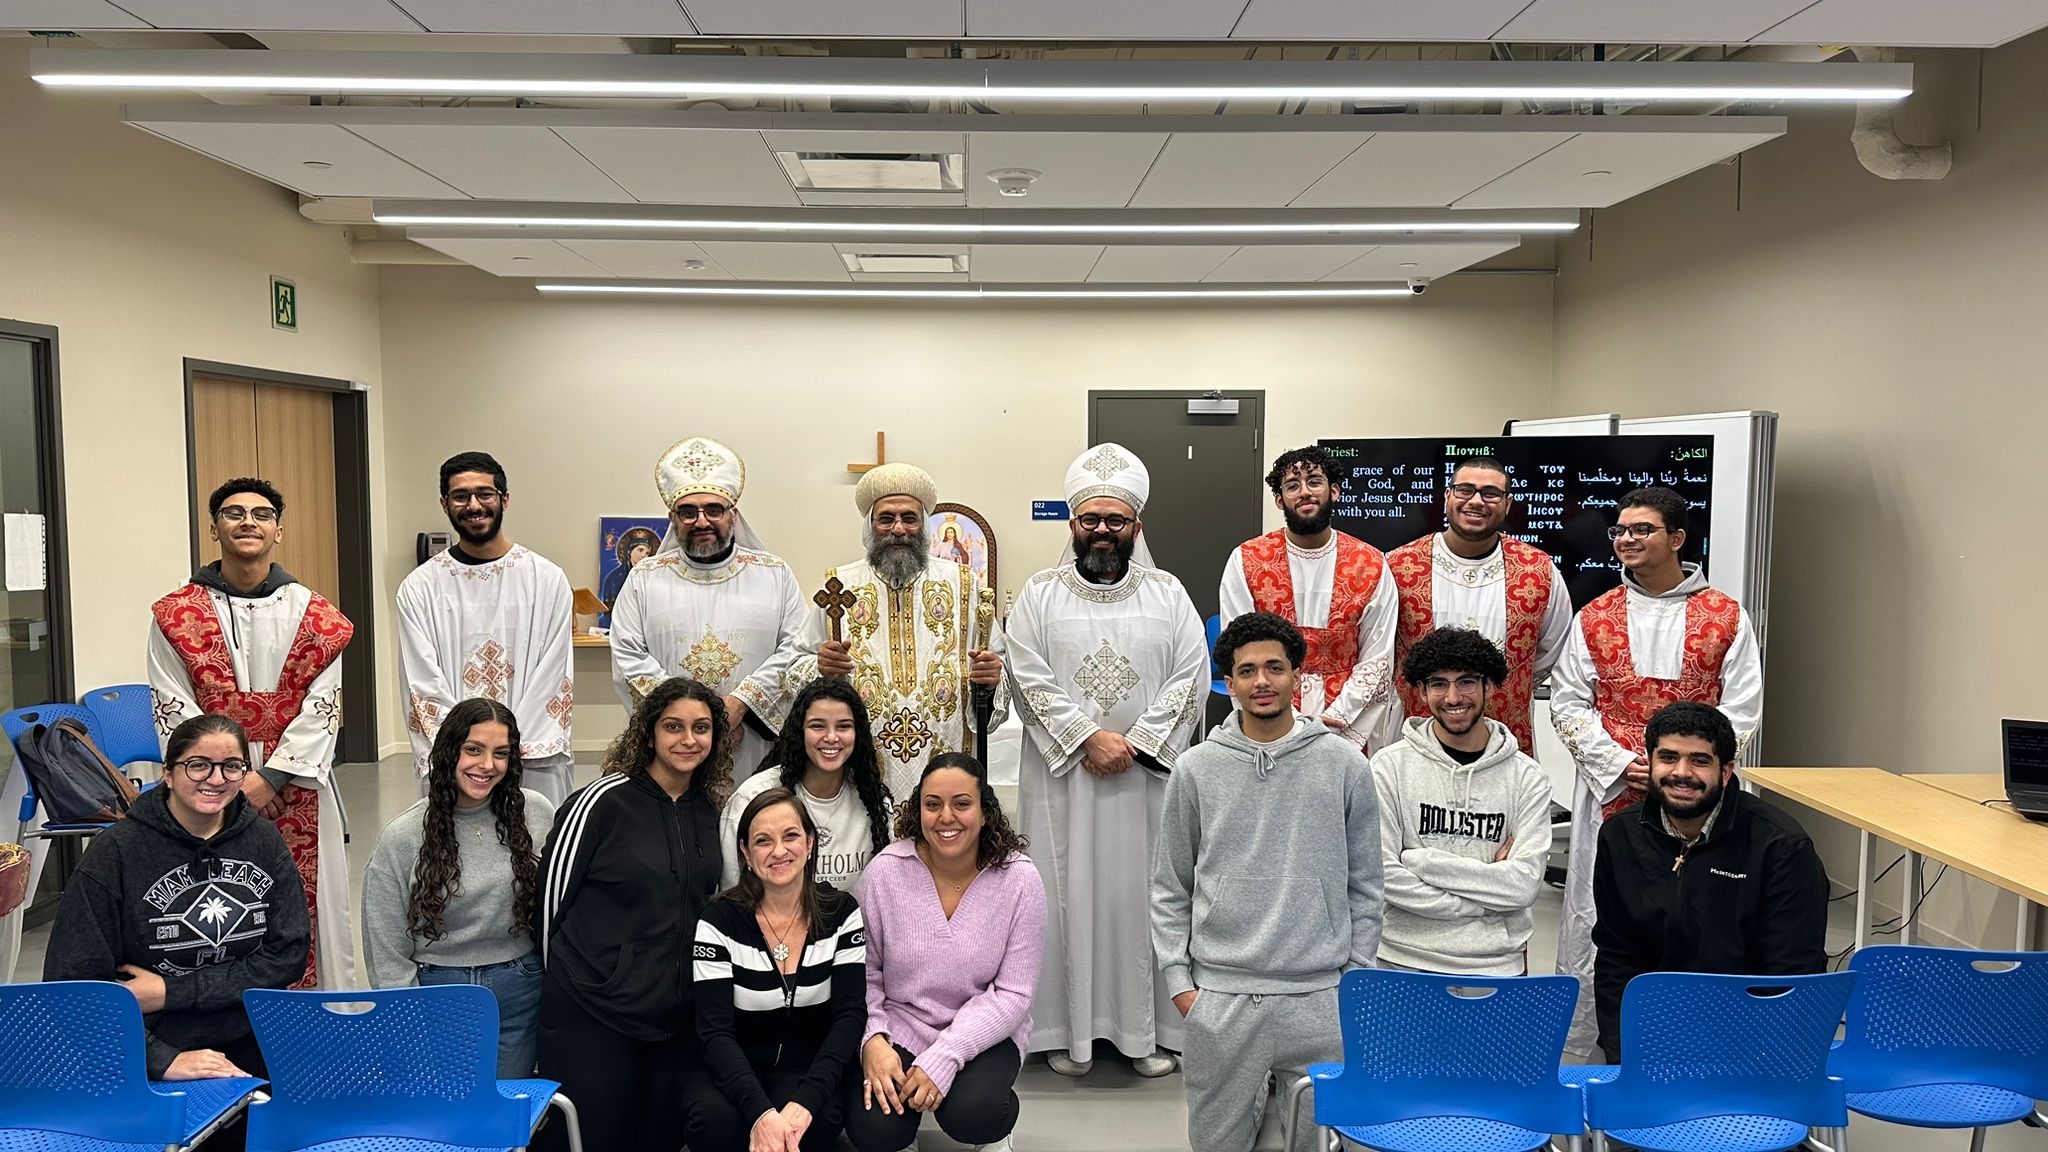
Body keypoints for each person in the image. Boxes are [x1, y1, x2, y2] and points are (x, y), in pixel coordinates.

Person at [1011, 443, 1209, 1078]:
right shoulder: (1040, 594)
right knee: (1063, 893)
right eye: (1090, 520)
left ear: (1136, 527)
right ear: (1072, 525)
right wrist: (1086, 736)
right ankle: (1068, 1032)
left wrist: (1140, 742)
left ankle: (1144, 1032)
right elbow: (1025, 673)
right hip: (1064, 781)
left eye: (1115, 521)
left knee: (1146, 896)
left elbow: (1192, 673)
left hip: (1143, 785)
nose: (1102, 531)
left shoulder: (1168, 592)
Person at [1151, 612, 1382, 1152]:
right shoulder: (1195, 769)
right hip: (1221, 997)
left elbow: (1368, 885)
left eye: (1274, 668)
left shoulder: (1345, 766)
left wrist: (1354, 976)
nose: (1262, 682)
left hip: (1320, 995)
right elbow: (1170, 886)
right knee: (1217, 1141)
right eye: (1247, 670)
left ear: (1295, 678)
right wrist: (1181, 984)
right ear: (1227, 684)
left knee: (1318, 1142)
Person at [1550, 486, 1764, 1058]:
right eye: (1619, 531)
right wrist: (1624, 763)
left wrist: (1685, 767)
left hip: (1698, 796)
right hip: (1616, 787)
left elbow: (1742, 707)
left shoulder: (1726, 617)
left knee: (1700, 910)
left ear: (1676, 538)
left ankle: (1700, 1043)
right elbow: (1568, 702)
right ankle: (1594, 1051)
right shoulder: (1594, 616)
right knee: (1601, 915)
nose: (1626, 539)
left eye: (1641, 529)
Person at [147, 476, 354, 990]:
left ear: (278, 531)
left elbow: (323, 706)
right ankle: (212, 1005)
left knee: (306, 900)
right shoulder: (176, 614)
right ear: (214, 527)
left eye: (261, 515)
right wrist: (229, 779)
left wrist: (272, 777)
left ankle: (308, 1022)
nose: (248, 522)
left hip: (294, 784)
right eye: (234, 513)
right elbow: (172, 702)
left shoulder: (318, 616)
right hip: (207, 784)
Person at [44, 715, 308, 1098]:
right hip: (150, 1045)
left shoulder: (263, 841)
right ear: (167, 773)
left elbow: (288, 955)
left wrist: (171, 990)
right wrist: (161, 1059)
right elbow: (74, 988)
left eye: (231, 767)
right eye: (198, 765)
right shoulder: (115, 853)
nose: (216, 780)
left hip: (251, 1036)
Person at [533, 677, 731, 1152]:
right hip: (594, 1011)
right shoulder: (601, 802)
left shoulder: (711, 810)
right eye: (673, 727)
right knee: (593, 1138)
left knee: (657, 1139)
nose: (688, 740)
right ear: (648, 733)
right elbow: (548, 906)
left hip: (671, 1018)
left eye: (701, 728)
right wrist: (578, 985)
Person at [1591, 702, 1826, 1062]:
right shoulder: (1619, 836)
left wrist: (1745, 1060)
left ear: (1726, 771)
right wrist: (1624, 1052)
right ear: (1650, 763)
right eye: (1668, 757)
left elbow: (1790, 973)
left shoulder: (1780, 847)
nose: (1681, 773)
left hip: (1749, 1039)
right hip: (1654, 1031)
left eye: (1699, 761)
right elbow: (1617, 957)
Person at [849, 753, 1044, 1152]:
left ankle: (996, 1128)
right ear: (918, 809)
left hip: (982, 1031)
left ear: (985, 811)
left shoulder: (1021, 879)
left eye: (962, 804)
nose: (946, 817)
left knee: (976, 1112)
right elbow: (863, 974)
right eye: (933, 804)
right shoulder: (884, 874)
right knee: (874, 1130)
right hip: (902, 1024)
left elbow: (1014, 994)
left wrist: (946, 1056)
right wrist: (873, 1040)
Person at [787, 463, 1007, 799]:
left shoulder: (964, 585)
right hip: (860, 764)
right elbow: (793, 668)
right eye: (886, 518)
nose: (898, 529)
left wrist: (993, 676)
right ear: (870, 527)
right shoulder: (839, 585)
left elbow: (997, 664)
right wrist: (820, 667)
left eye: (909, 518)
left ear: (924, 525)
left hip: (946, 760)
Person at [361, 698, 554, 1077]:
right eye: (473, 750)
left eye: (501, 754)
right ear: (450, 752)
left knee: (503, 1113)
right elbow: (385, 947)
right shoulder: (402, 835)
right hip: (436, 992)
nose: (487, 765)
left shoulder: (537, 813)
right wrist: (406, 1018)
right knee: (444, 1116)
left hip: (520, 989)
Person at [609, 436, 808, 782]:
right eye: (688, 512)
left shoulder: (774, 574)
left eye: (713, 509)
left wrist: (741, 704)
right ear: (673, 518)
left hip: (752, 743)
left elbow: (797, 649)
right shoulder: (645, 578)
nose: (702, 521)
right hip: (674, 747)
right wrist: (692, 721)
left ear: (733, 514)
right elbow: (628, 657)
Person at [690, 790, 867, 1152]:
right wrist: (760, 1114)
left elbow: (849, 1017)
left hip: (808, 1069)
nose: (779, 851)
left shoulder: (842, 913)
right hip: (734, 1068)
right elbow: (715, 1030)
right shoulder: (718, 921)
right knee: (714, 1126)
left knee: (814, 1128)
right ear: (745, 853)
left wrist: (805, 1102)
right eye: (763, 841)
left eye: (790, 836)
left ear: (810, 842)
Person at [397, 451, 575, 805]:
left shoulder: (546, 579)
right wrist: (470, 748)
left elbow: (553, 672)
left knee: (536, 849)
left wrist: (506, 746)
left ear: (504, 499)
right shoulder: (420, 587)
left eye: (485, 494)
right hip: (457, 760)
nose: (474, 505)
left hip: (530, 756)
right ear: (445, 504)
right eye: (461, 496)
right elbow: (421, 679)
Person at [1372, 627, 1552, 976]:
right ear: (1422, 692)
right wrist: (1483, 896)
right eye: (1438, 684)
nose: (1453, 697)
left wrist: (1421, 861)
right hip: (1402, 959)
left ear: (1489, 686)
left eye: (1466, 682)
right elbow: (1382, 875)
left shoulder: (1527, 778)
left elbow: (1523, 885)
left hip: (1496, 966)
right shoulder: (1388, 767)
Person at [1385, 455, 1573, 756]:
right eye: (1465, 490)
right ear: (1448, 496)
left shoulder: (1539, 571)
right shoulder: (1397, 566)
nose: (1476, 501)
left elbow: (1553, 649)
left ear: (1507, 504)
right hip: (1418, 734)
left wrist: (1504, 685)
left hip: (1506, 735)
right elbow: (1381, 647)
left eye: (1490, 494)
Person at [1219, 444, 1398, 752]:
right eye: (1292, 485)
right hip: (1270, 717)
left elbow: (1377, 657)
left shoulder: (1370, 563)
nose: (1305, 492)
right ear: (1279, 500)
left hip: (1347, 719)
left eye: (1314, 481)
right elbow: (1239, 650)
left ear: (1335, 491)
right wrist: (1284, 724)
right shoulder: (1247, 559)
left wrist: (1336, 719)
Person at [720, 677, 894, 891]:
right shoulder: (753, 796)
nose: (831, 737)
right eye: (817, 726)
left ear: (858, 734)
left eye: (844, 726)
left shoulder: (874, 802)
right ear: (800, 731)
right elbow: (731, 889)